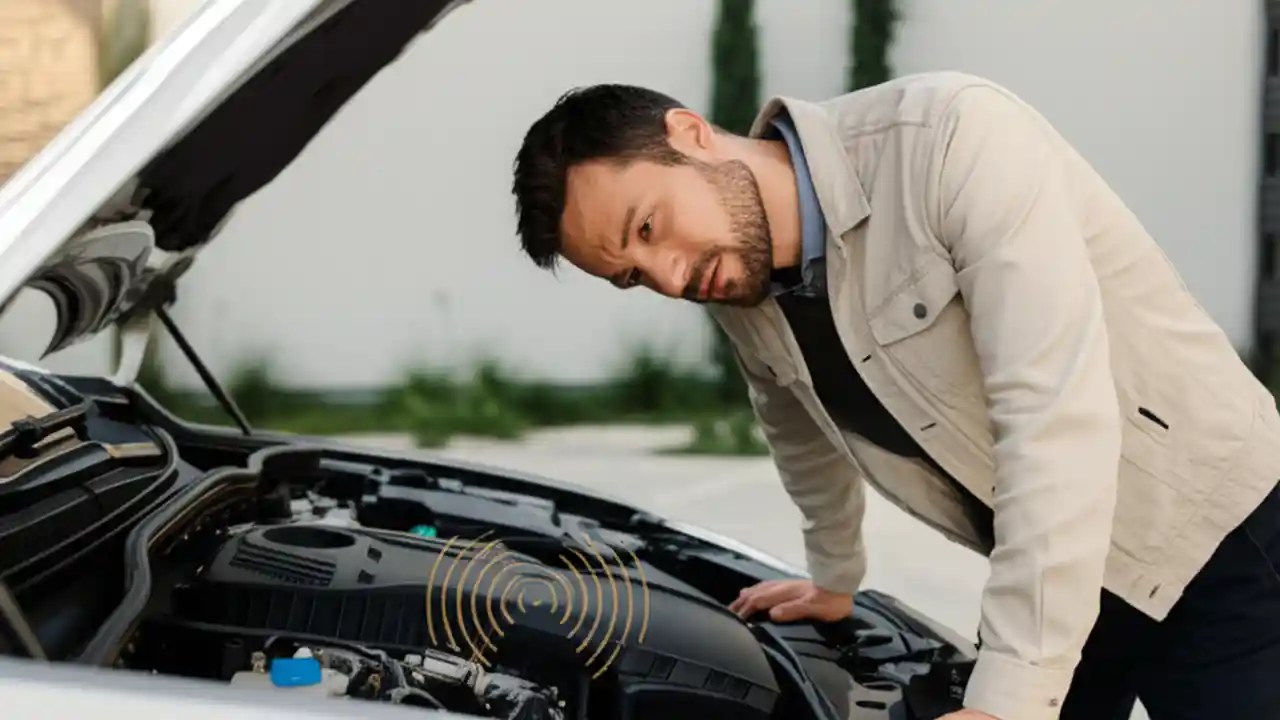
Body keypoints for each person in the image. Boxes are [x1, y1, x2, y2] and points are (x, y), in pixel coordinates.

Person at [508, 71, 1280, 720]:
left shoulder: (952, 141)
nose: (671, 277)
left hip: (1212, 532)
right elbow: (795, 423)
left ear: (691, 133)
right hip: (1054, 561)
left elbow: (1053, 418)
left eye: (649, 226)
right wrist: (833, 574)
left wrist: (1009, 700)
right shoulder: (734, 272)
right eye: (633, 276)